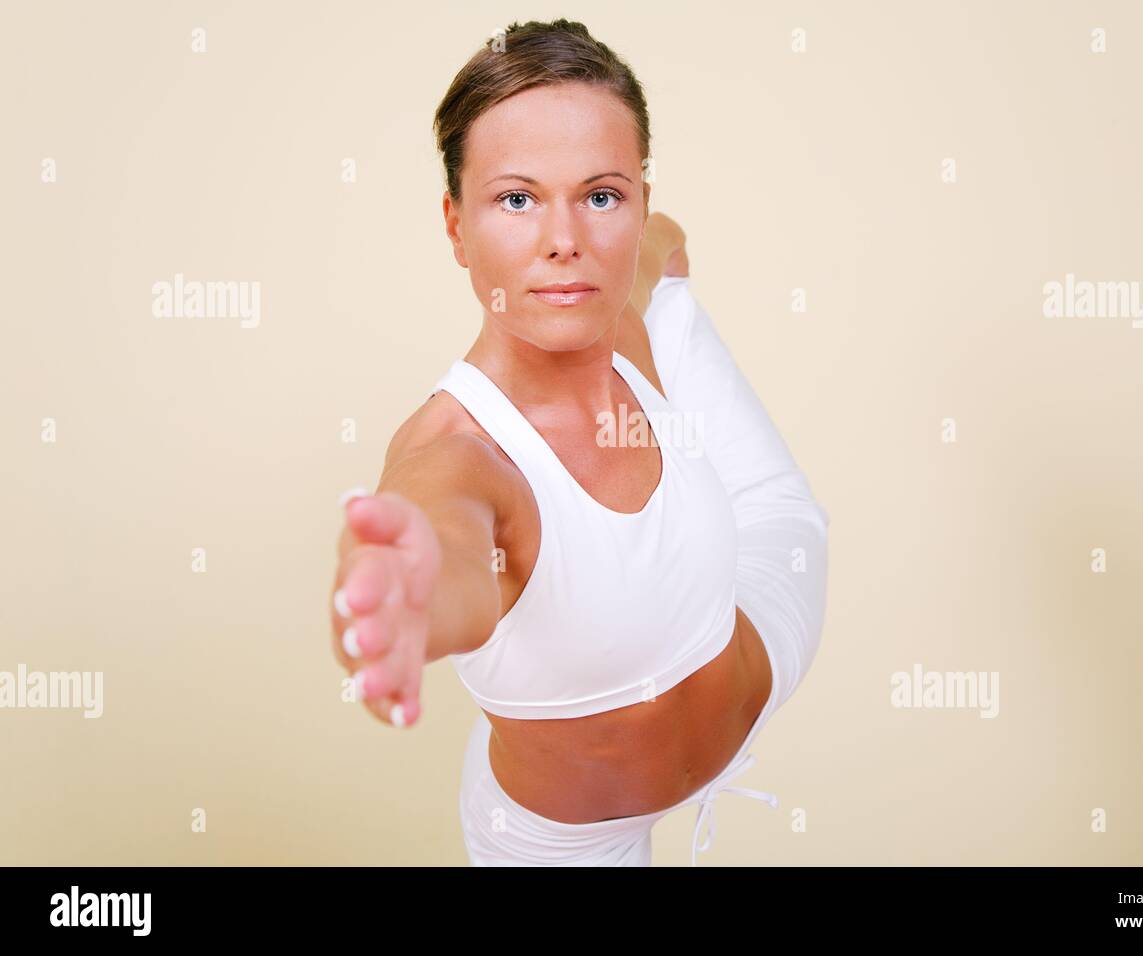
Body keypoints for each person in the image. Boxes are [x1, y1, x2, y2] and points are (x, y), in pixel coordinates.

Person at [328, 18, 829, 866]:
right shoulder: (456, 453)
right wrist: (406, 598)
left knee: (780, 503)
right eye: (516, 199)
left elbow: (644, 246)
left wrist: (660, 249)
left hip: (761, 621)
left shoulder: (622, 313)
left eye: (602, 195)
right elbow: (445, 536)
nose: (566, 240)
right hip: (563, 839)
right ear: (456, 226)